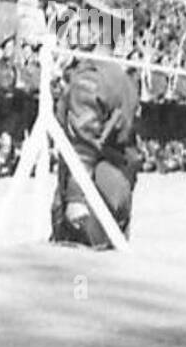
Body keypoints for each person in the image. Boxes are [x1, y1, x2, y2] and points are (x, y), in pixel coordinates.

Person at [51, 13, 140, 249]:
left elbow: (83, 145)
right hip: (119, 186)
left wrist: (75, 198)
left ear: (95, 33)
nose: (74, 32)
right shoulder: (123, 76)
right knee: (109, 267)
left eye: (81, 26)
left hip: (92, 191)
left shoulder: (88, 77)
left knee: (78, 276)